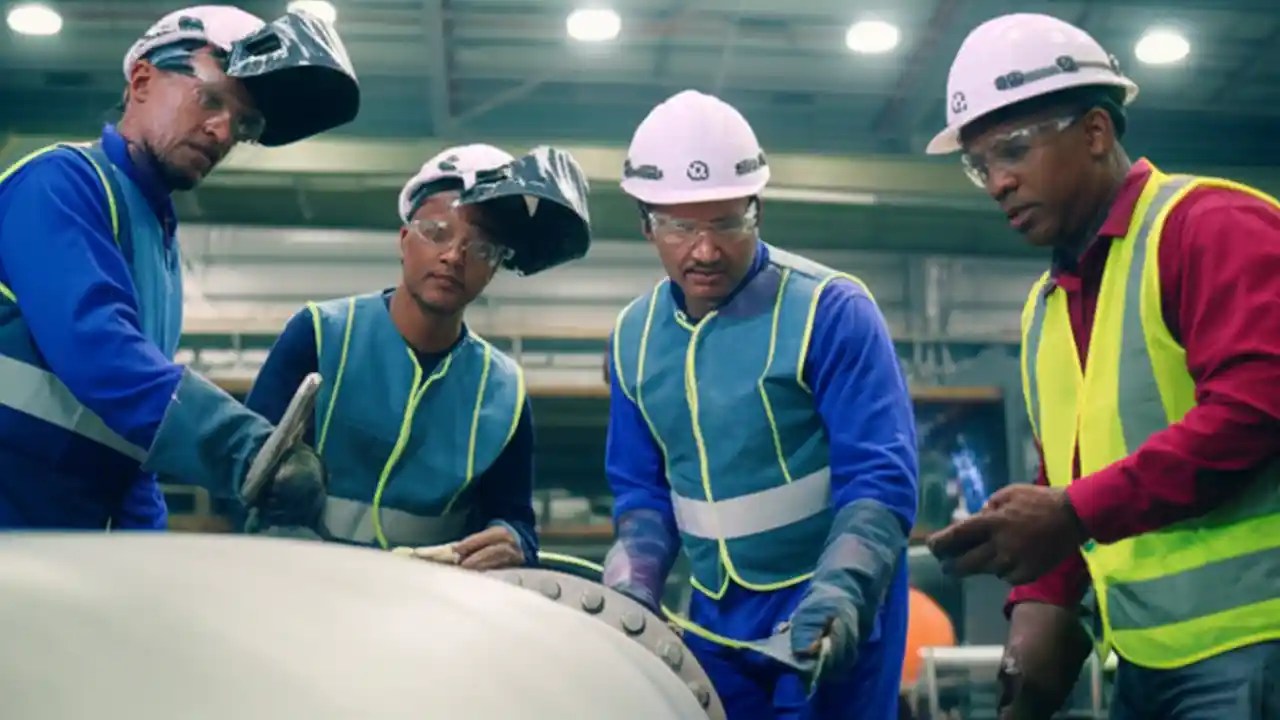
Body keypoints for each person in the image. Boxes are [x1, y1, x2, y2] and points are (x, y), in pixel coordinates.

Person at [922, 13, 1280, 720]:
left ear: (1095, 132)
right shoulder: (1047, 306)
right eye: (979, 164)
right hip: (1144, 663)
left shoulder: (1210, 227)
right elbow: (1070, 483)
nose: (997, 182)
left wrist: (1069, 512)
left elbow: (1255, 407)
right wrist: (1035, 618)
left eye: (1013, 149)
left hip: (1258, 647)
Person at [601, 89, 919, 720]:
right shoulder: (632, 339)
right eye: (680, 226)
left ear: (758, 209)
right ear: (645, 223)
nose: (706, 250)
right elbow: (641, 492)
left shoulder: (831, 312)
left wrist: (843, 591)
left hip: (831, 603)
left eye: (726, 222)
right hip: (717, 616)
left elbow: (880, 480)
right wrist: (631, 585)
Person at [0, 5, 361, 530]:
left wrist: (150, 554)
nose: (223, 133)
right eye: (211, 100)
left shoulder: (155, 236)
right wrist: (250, 450)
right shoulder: (61, 183)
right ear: (142, 80)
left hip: (55, 543)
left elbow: (133, 437)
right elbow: (102, 356)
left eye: (245, 124)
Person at [244, 143, 594, 569]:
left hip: (427, 608)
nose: (453, 256)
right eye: (437, 232)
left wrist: (515, 539)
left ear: (496, 266)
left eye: (481, 248)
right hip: (297, 578)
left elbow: (515, 518)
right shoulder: (321, 335)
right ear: (405, 239)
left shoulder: (502, 392)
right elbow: (240, 465)